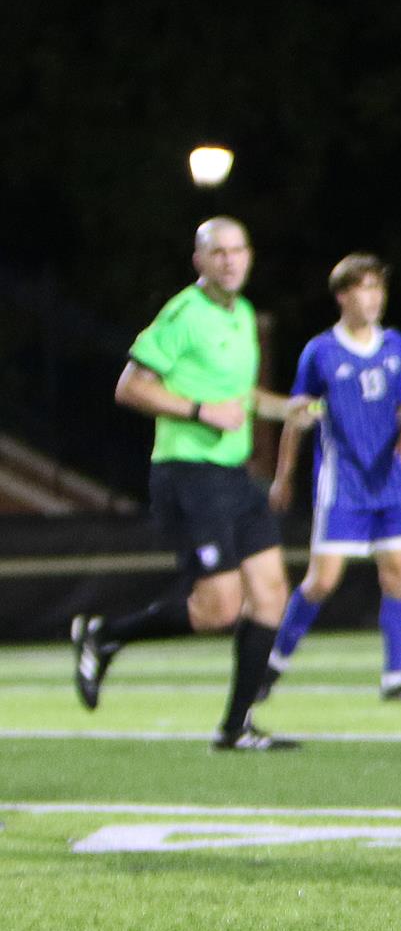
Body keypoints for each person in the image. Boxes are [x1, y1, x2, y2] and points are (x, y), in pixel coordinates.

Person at [70, 217, 308, 750]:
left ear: (249, 256)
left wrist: (286, 408)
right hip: (188, 476)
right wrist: (199, 410)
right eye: (217, 252)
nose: (229, 260)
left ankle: (236, 727)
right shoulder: (183, 312)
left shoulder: (242, 313)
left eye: (237, 250)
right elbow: (130, 387)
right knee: (218, 609)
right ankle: (105, 635)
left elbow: (238, 396)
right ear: (199, 261)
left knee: (271, 596)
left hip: (235, 476)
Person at [261, 253, 401, 703]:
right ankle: (271, 664)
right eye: (364, 289)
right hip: (345, 484)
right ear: (342, 296)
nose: (373, 298)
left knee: (398, 574)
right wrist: (284, 476)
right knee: (322, 580)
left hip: (390, 481)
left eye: (378, 289)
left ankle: (394, 680)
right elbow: (298, 416)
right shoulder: (321, 352)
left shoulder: (396, 345)